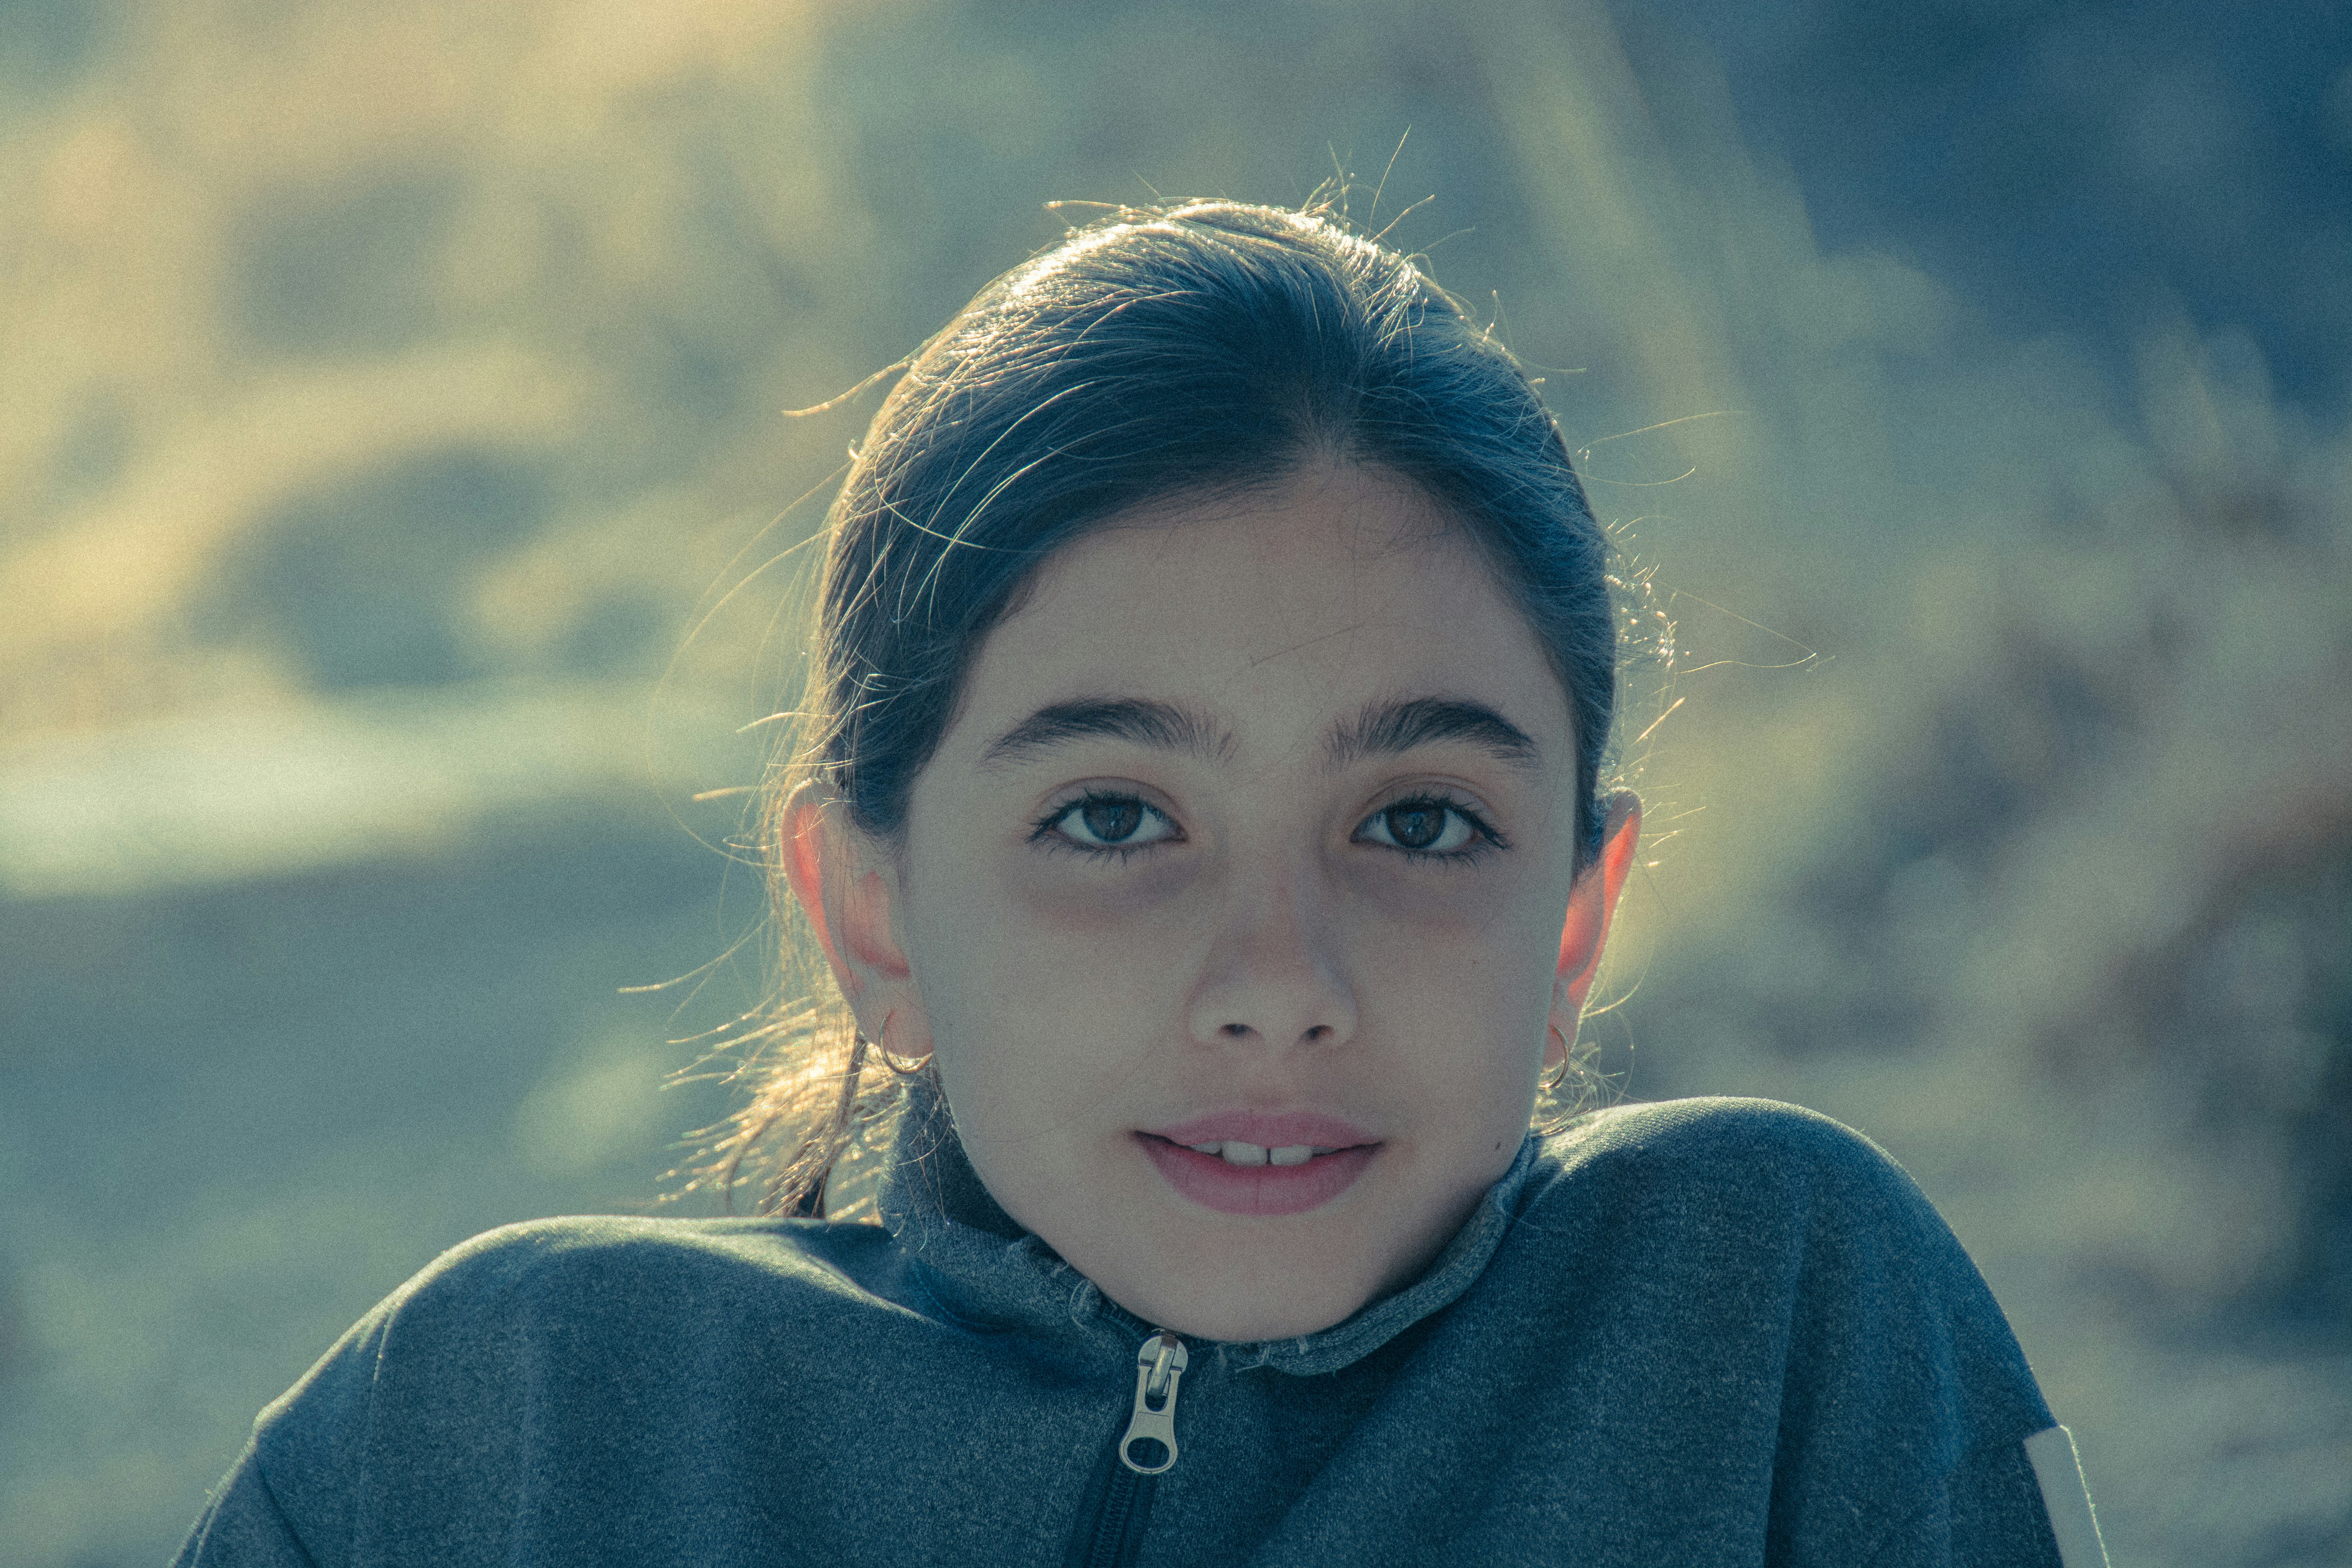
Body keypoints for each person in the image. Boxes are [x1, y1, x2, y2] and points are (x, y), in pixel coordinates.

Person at [175, 200, 2109, 1566]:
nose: (1279, 982)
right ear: (872, 914)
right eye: (1113, 818)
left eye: (1421, 823)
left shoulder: (1771, 1315)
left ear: (1577, 922)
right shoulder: (515, 1425)